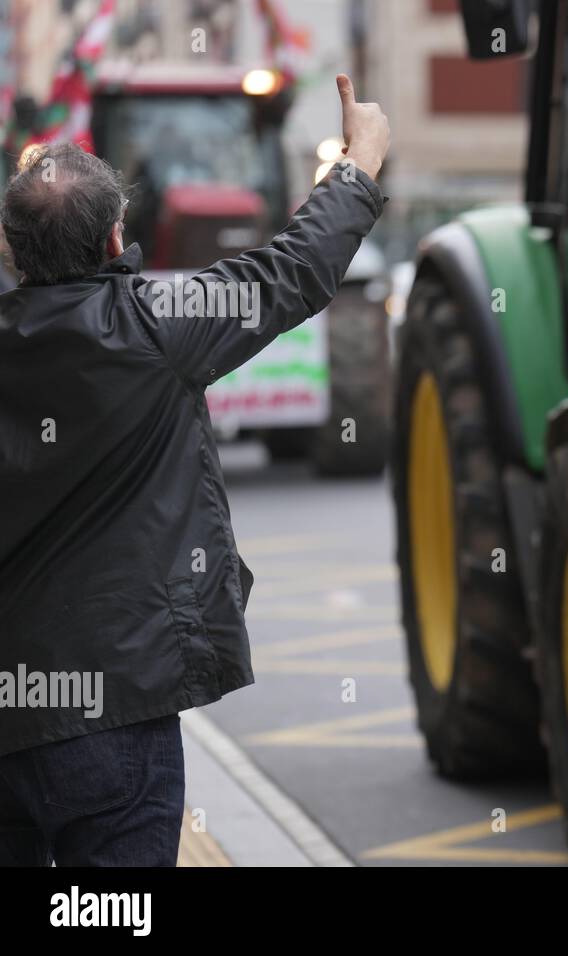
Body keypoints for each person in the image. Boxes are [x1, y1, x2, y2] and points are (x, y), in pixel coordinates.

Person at [0, 75, 389, 866]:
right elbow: (295, 268)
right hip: (117, 716)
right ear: (116, 238)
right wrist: (360, 162)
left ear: (9, 249)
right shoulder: (157, 328)